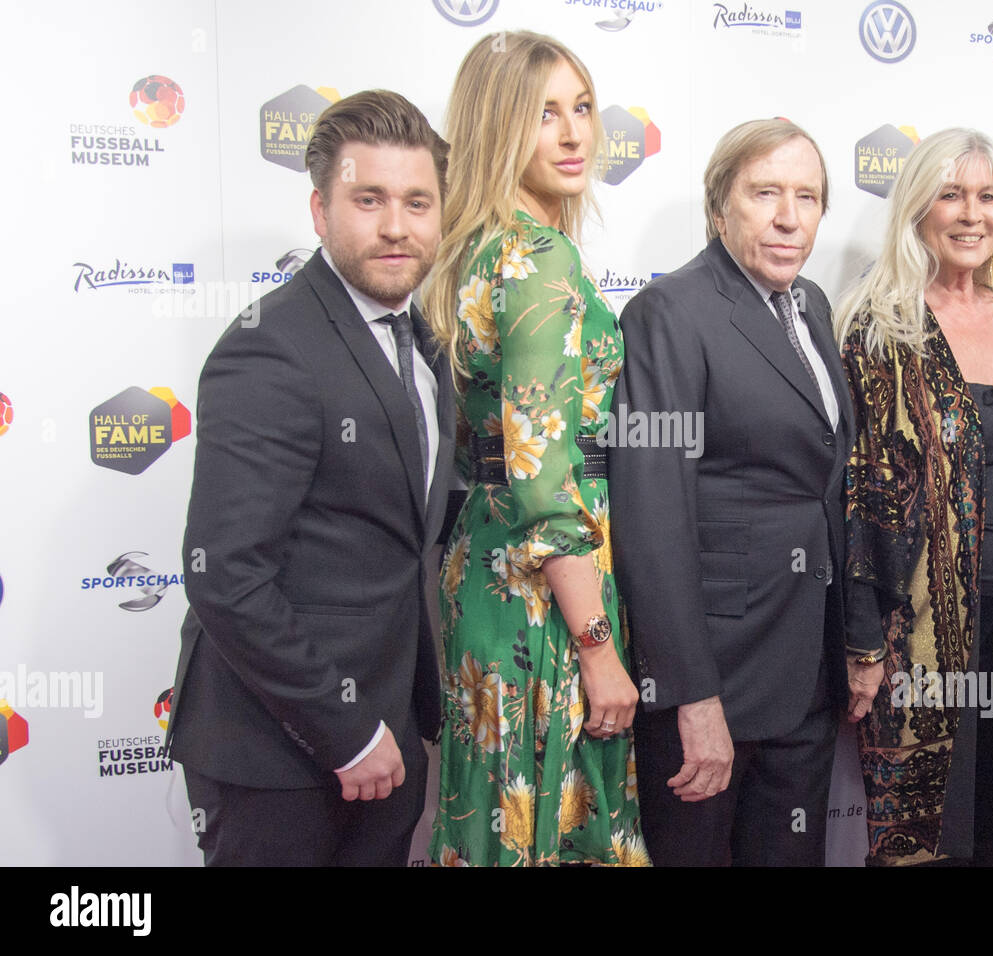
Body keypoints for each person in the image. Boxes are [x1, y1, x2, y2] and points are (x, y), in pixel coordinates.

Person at [167, 90, 456, 866]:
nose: (397, 225)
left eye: (416, 201)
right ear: (320, 211)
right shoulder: (272, 347)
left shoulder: (421, 343)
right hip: (278, 752)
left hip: (389, 733)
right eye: (369, 200)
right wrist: (346, 730)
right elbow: (227, 575)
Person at [610, 119, 879, 867]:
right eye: (765, 193)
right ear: (719, 205)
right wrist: (690, 697)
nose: (790, 217)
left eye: (808, 197)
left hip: (807, 673)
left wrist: (856, 641)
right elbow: (650, 516)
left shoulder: (814, 306)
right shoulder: (670, 314)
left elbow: (832, 491)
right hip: (713, 680)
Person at [835, 127, 993, 867]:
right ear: (918, 210)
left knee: (991, 824)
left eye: (987, 196)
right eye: (951, 194)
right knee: (922, 841)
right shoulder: (883, 330)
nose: (971, 214)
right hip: (919, 635)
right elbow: (860, 498)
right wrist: (861, 642)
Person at [422, 31, 645, 867]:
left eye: (582, 109)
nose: (574, 133)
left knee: (500, 826)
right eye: (543, 114)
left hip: (488, 571)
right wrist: (598, 649)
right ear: (496, 127)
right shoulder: (538, 255)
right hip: (544, 599)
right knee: (549, 830)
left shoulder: (479, 250)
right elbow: (543, 475)